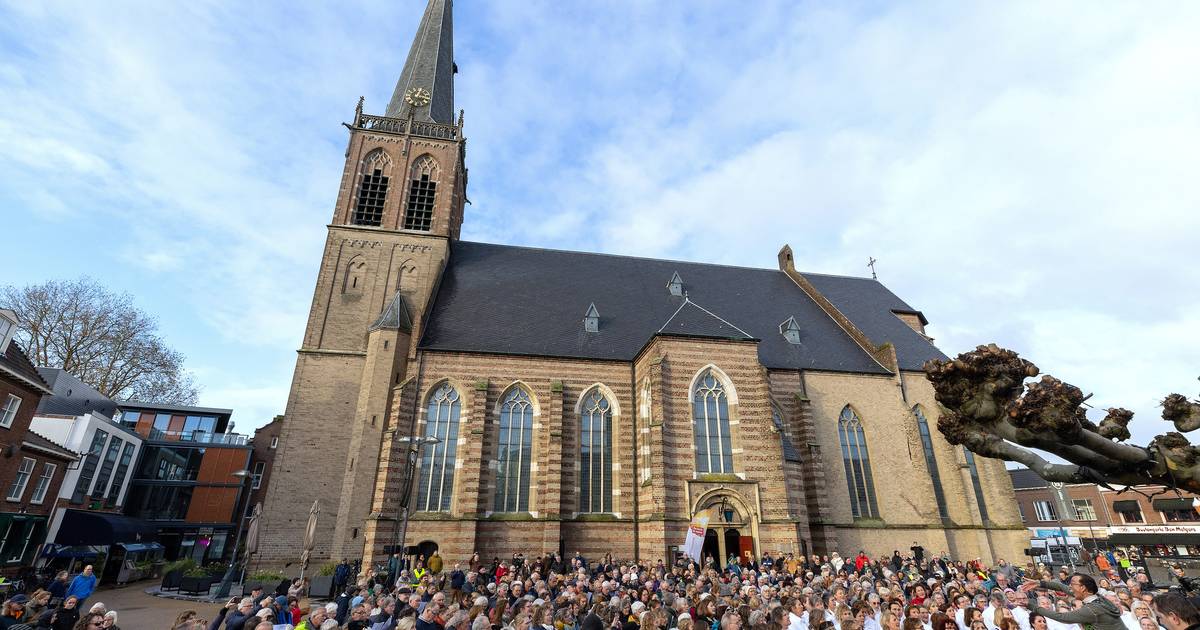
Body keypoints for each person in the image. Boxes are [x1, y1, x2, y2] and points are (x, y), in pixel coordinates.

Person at [1021, 573, 1124, 630]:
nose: (1070, 586)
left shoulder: (1091, 610)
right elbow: (1062, 587)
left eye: (1073, 584)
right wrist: (1040, 583)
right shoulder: (1099, 598)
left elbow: (1061, 617)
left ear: (1083, 588)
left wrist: (1030, 605)